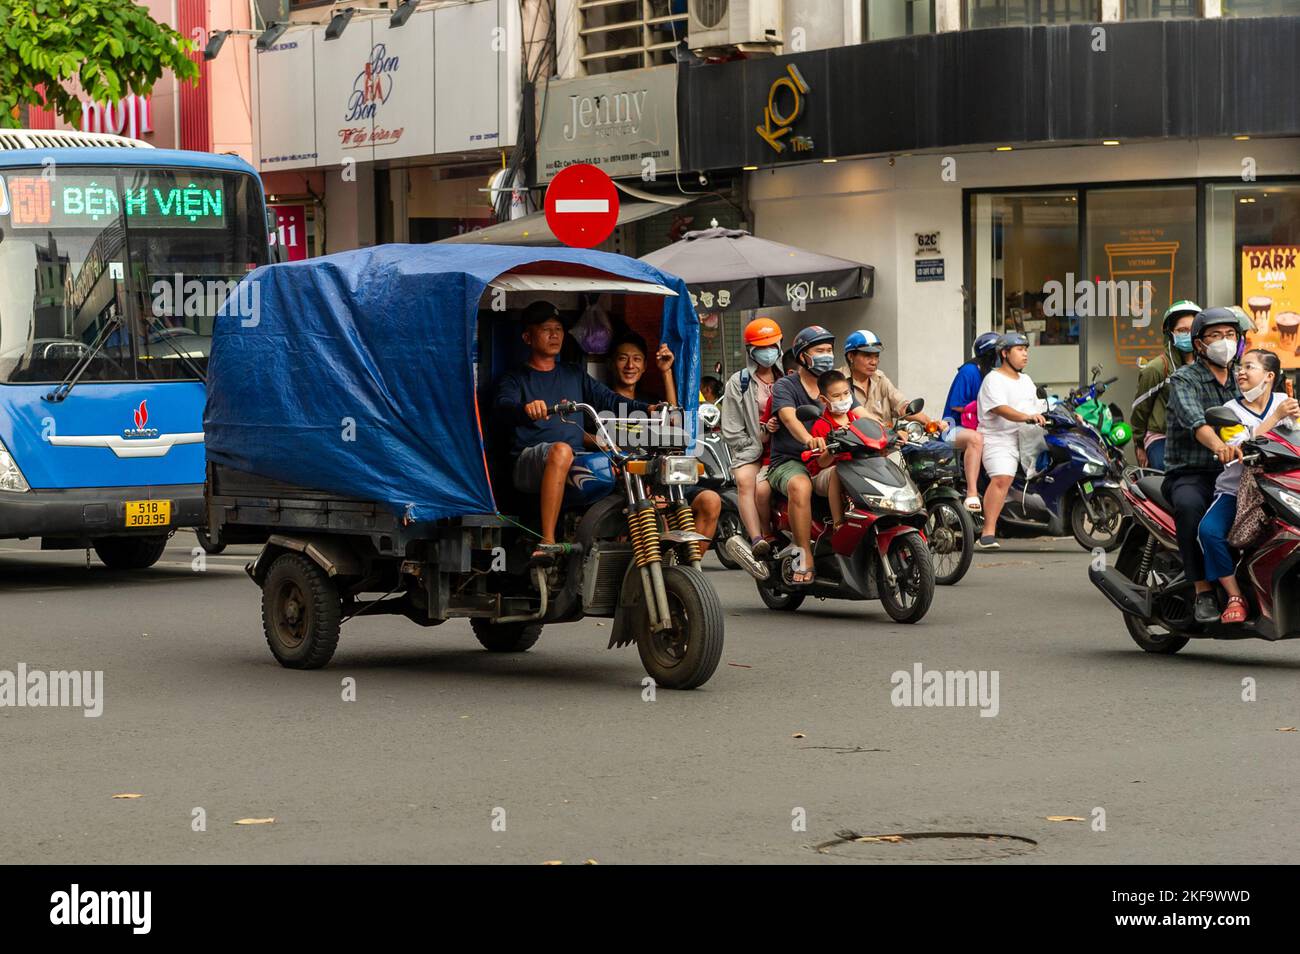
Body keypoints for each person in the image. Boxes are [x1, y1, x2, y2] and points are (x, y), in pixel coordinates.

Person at [494, 301, 655, 561]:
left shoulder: (574, 374)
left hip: (574, 458)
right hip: (529, 463)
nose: (555, 335)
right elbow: (504, 407)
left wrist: (647, 409)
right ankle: (547, 541)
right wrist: (525, 409)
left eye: (558, 329)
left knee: (625, 463)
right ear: (527, 337)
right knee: (561, 450)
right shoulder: (515, 379)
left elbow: (609, 400)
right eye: (546, 329)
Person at [1196, 349, 1298, 623]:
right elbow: (1241, 447)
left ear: (1269, 376)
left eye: (1249, 367)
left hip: (1282, 486)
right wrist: (1276, 417)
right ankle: (1234, 595)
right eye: (1240, 367)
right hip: (1237, 489)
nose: (1240, 371)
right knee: (1209, 531)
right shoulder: (1229, 411)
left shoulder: (1285, 401)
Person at [1164, 307, 1247, 623]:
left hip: (1236, 472)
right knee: (1189, 509)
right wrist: (1221, 447)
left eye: (1230, 335)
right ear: (1199, 344)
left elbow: (1261, 413)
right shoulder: (1183, 379)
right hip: (1192, 472)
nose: (1224, 342)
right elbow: (1195, 421)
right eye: (1215, 336)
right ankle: (1203, 590)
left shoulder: (1241, 377)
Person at [604, 331, 721, 553]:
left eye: (637, 359)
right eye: (623, 358)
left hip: (663, 480)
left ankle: (685, 570)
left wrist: (666, 371)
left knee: (711, 501)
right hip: (626, 485)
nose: (630, 365)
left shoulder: (648, 403)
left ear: (645, 365)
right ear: (611, 363)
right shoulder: (603, 401)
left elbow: (674, 424)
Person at [768, 325, 839, 584]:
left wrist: (885, 431)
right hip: (789, 461)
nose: (827, 355)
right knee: (800, 486)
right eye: (819, 350)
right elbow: (788, 417)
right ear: (802, 356)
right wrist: (809, 439)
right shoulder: (785, 385)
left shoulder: (834, 382)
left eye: (829, 350)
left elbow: (859, 412)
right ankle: (804, 553)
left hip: (827, 458)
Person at [720, 317, 783, 574]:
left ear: (780, 346)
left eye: (771, 345)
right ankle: (758, 538)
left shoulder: (789, 378)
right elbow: (731, 430)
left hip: (784, 448)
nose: (767, 351)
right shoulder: (739, 382)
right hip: (752, 448)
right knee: (747, 482)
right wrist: (761, 435)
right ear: (750, 350)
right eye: (761, 347)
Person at [976, 332, 1047, 550]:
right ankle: (987, 533)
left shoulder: (1026, 380)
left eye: (1026, 349)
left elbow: (1040, 405)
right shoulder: (993, 379)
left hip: (1027, 438)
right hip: (999, 439)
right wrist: (1026, 417)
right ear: (1004, 354)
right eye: (1019, 349)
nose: (1025, 354)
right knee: (1002, 479)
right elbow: (1000, 408)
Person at [1131, 301, 1201, 470]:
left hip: (1196, 436)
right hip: (1161, 436)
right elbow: (1140, 409)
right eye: (1181, 330)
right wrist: (1139, 445)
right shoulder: (1157, 368)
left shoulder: (1206, 366)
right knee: (1170, 475)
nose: (1187, 334)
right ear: (1170, 333)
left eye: (1191, 330)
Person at [840, 329, 942, 436]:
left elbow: (902, 406)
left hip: (886, 444)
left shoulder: (880, 378)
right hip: (854, 446)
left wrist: (930, 422)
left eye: (876, 356)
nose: (874, 362)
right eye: (867, 356)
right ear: (851, 356)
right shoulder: (838, 380)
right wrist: (888, 431)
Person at [942, 331, 1000, 511]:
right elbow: (958, 405)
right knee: (975, 439)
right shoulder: (969, 371)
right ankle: (972, 493)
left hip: (981, 427)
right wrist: (986, 405)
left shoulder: (995, 374)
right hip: (953, 427)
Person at [806, 369, 866, 530]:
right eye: (836, 396)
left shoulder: (857, 420)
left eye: (846, 393)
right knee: (837, 472)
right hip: (823, 474)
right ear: (823, 400)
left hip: (854, 469)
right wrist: (835, 447)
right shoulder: (822, 425)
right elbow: (820, 463)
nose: (843, 399)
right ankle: (838, 522)